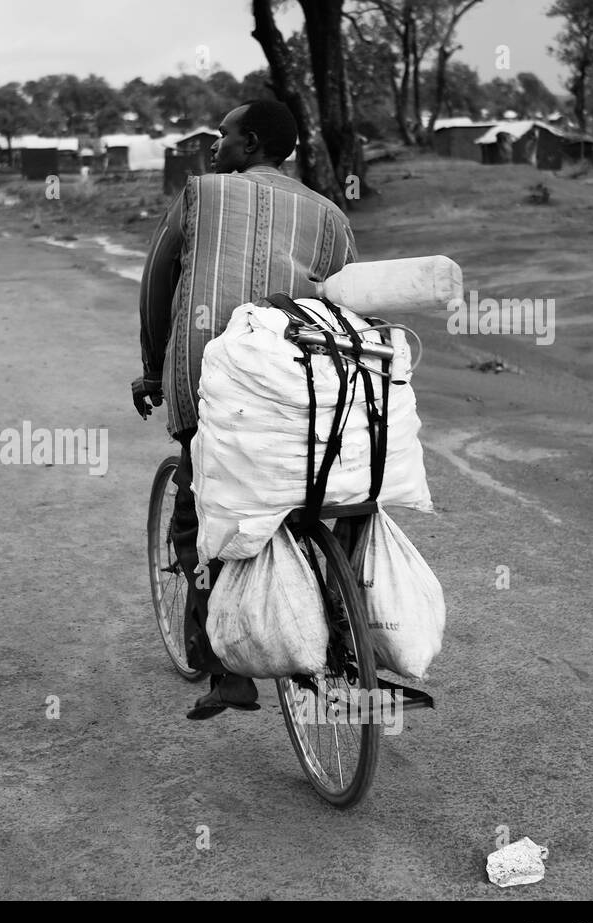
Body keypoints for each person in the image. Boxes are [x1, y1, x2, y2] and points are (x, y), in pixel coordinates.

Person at [132, 99, 358, 721]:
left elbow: (156, 282)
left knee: (198, 525)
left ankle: (228, 671)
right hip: (308, 396)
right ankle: (340, 620)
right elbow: (348, 308)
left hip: (219, 393)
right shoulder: (330, 216)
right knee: (317, 500)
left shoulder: (201, 195)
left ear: (251, 142)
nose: (213, 144)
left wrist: (153, 368)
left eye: (224, 134)